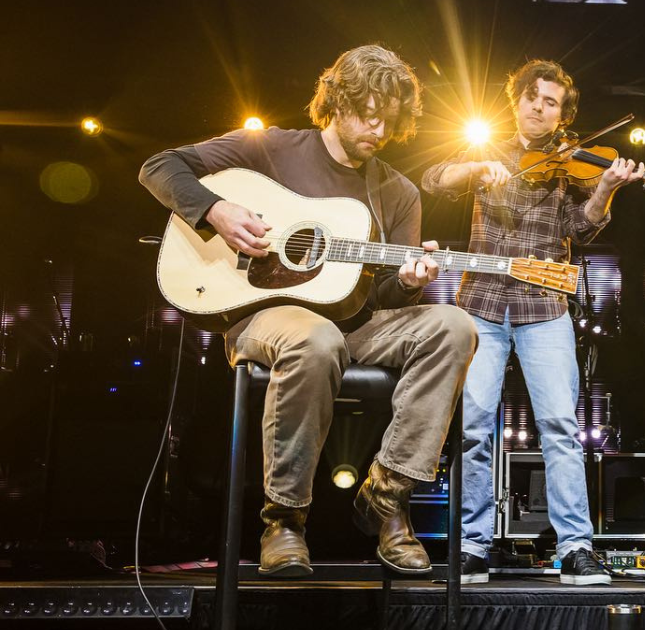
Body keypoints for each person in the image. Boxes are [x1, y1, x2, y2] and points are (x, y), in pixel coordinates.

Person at [139, 44, 476, 576]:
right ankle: (285, 521)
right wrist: (216, 210)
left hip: (357, 323)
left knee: (454, 325)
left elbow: (385, 294)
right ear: (337, 102)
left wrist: (409, 284)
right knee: (316, 339)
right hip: (265, 316)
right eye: (368, 113)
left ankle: (387, 497)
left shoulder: (398, 190)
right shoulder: (270, 148)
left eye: (390, 120)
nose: (379, 129)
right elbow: (160, 166)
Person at [421, 59, 645, 585]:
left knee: (561, 430)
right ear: (516, 100)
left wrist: (606, 188)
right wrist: (476, 169)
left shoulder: (569, 161)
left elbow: (579, 226)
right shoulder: (483, 146)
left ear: (561, 112)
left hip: (544, 305)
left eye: (551, 103)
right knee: (475, 429)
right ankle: (472, 546)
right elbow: (435, 179)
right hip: (481, 302)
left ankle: (575, 548)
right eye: (533, 98)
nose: (540, 109)